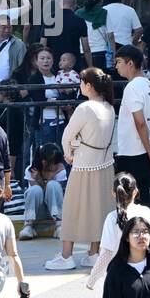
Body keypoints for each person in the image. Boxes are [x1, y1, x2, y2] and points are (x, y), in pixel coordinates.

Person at [46, 68, 115, 271]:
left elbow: (67, 135)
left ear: (89, 85)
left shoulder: (86, 107)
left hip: (84, 165)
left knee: (72, 210)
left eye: (82, 82)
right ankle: (94, 252)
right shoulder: (109, 107)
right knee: (99, 209)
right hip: (105, 164)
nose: (80, 86)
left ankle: (66, 256)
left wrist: (69, 154)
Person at [112, 46, 150, 201]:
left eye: (119, 62)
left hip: (133, 152)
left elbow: (140, 122)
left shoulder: (132, 87)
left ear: (130, 63)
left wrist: (148, 150)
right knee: (144, 196)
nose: (116, 66)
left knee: (129, 200)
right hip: (147, 149)